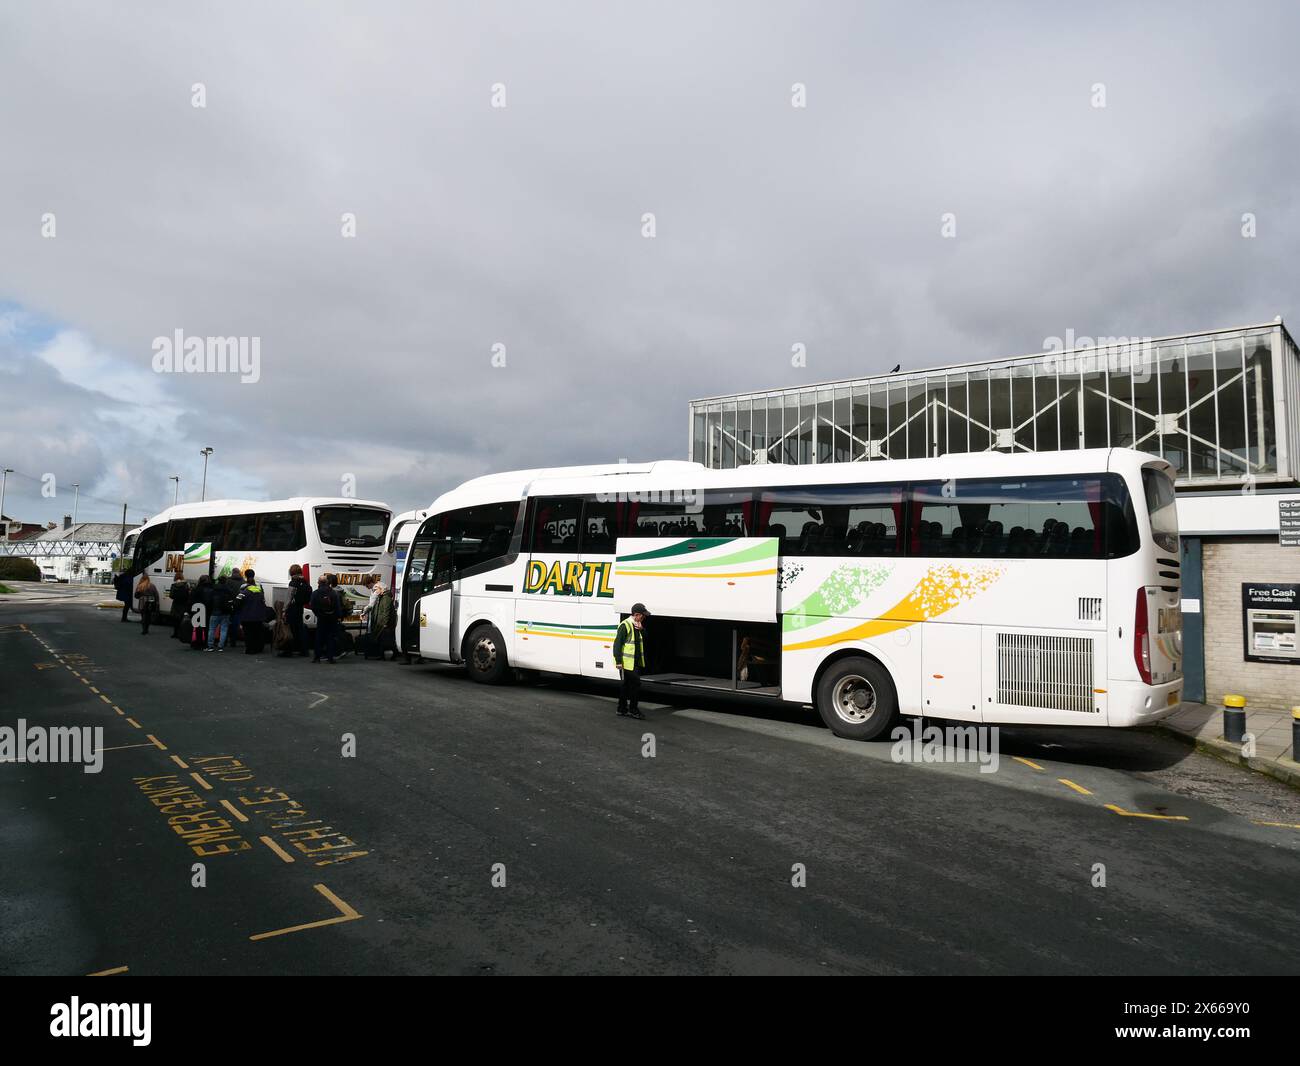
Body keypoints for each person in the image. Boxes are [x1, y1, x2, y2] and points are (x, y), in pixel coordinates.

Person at [613, 602, 650, 720]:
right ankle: (633, 709)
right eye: (643, 616)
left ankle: (621, 709)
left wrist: (642, 629)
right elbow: (617, 644)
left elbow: (646, 638)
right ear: (637, 614)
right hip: (625, 662)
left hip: (633, 662)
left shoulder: (638, 626)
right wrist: (618, 661)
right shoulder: (625, 625)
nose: (644, 618)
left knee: (626, 686)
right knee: (636, 684)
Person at [236, 568, 268, 654]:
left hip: (247, 614)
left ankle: (250, 649)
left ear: (246, 576)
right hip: (259, 615)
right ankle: (259, 648)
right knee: (258, 632)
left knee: (248, 633)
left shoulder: (243, 588)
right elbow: (263, 600)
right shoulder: (259, 587)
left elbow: (239, 601)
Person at [282, 563, 311, 656]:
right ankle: (303, 650)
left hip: (292, 609)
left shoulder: (293, 583)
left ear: (292, 572)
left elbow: (288, 598)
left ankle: (288, 651)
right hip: (300, 608)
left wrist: (284, 610)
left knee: (290, 629)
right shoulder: (305, 582)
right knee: (299, 629)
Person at [311, 575, 339, 663]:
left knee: (319, 637)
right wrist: (336, 616)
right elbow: (337, 606)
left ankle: (317, 657)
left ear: (319, 583)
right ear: (327, 582)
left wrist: (318, 614)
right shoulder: (333, 593)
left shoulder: (315, 593)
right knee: (330, 637)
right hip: (331, 618)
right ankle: (330, 657)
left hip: (321, 618)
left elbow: (313, 606)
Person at [207, 572, 236, 651]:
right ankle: (221, 646)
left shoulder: (213, 589)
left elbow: (210, 601)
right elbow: (232, 601)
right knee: (224, 629)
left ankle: (210, 646)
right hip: (226, 612)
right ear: (226, 581)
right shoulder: (229, 590)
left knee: (212, 629)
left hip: (215, 611)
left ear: (218, 580)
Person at [190, 574, 213, 650]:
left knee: (198, 628)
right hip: (208, 610)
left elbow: (191, 600)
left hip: (198, 610)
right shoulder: (212, 589)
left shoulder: (197, 589)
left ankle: (198, 643)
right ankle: (206, 643)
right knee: (207, 628)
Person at [168, 568, 191, 642]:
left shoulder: (174, 585)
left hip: (176, 604)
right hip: (183, 604)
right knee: (182, 619)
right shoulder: (186, 585)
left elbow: (171, 595)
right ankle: (181, 633)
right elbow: (188, 595)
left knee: (175, 619)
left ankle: (175, 633)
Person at [225, 569, 244, 647]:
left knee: (226, 623)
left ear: (232, 573)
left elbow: (226, 593)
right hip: (239, 605)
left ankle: (225, 640)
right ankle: (233, 641)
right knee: (236, 624)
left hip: (229, 604)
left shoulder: (228, 581)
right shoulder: (243, 582)